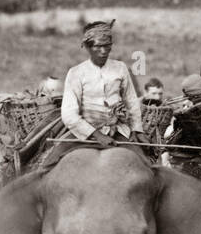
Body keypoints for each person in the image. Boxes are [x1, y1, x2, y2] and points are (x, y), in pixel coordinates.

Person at [59, 19, 145, 149]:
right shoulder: (76, 73)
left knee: (143, 161)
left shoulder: (120, 68)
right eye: (98, 46)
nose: (104, 51)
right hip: (85, 133)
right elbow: (68, 114)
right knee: (52, 162)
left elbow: (131, 101)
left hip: (118, 132)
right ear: (88, 47)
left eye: (107, 45)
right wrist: (97, 135)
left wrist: (136, 130)